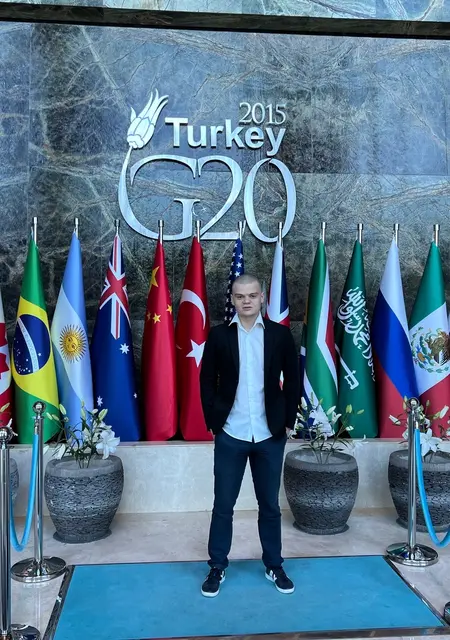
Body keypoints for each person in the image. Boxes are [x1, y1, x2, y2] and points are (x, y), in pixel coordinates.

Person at [199, 273, 300, 598]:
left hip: (270, 434)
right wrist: (213, 421)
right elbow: (206, 379)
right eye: (240, 296)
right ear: (232, 299)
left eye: (252, 295)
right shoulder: (219, 336)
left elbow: (294, 379)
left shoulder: (279, 335)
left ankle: (274, 565)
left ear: (262, 298)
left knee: (269, 504)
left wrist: (287, 421)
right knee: (223, 505)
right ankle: (217, 566)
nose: (246, 301)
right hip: (231, 433)